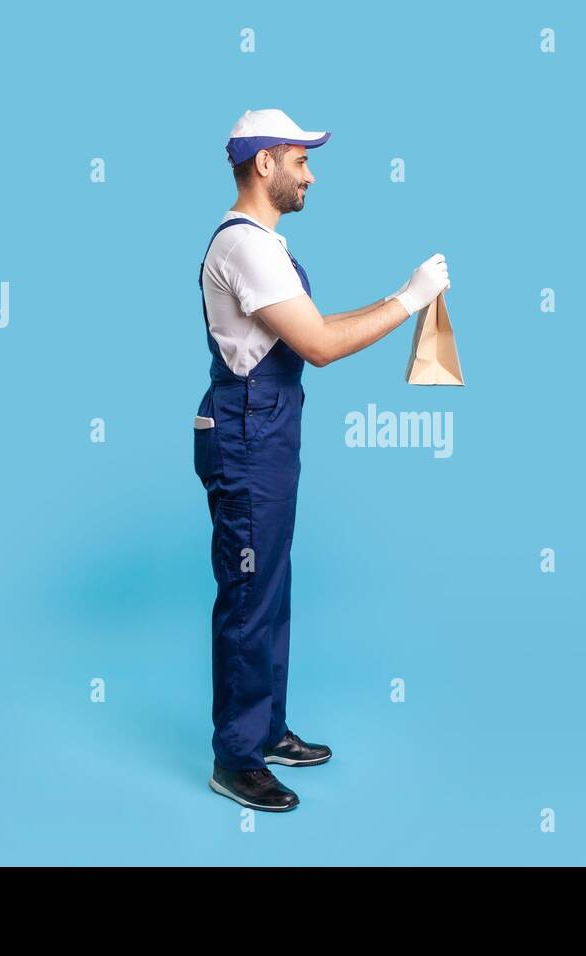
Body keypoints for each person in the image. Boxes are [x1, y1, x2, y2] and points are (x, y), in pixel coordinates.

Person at [194, 109, 450, 811]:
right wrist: (408, 300)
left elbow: (316, 326)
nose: (311, 174)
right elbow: (321, 346)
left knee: (270, 586)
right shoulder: (245, 247)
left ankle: (266, 728)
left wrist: (404, 298)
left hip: (268, 430)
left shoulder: (267, 248)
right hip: (248, 433)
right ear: (264, 164)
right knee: (249, 594)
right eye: (300, 160)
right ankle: (236, 757)